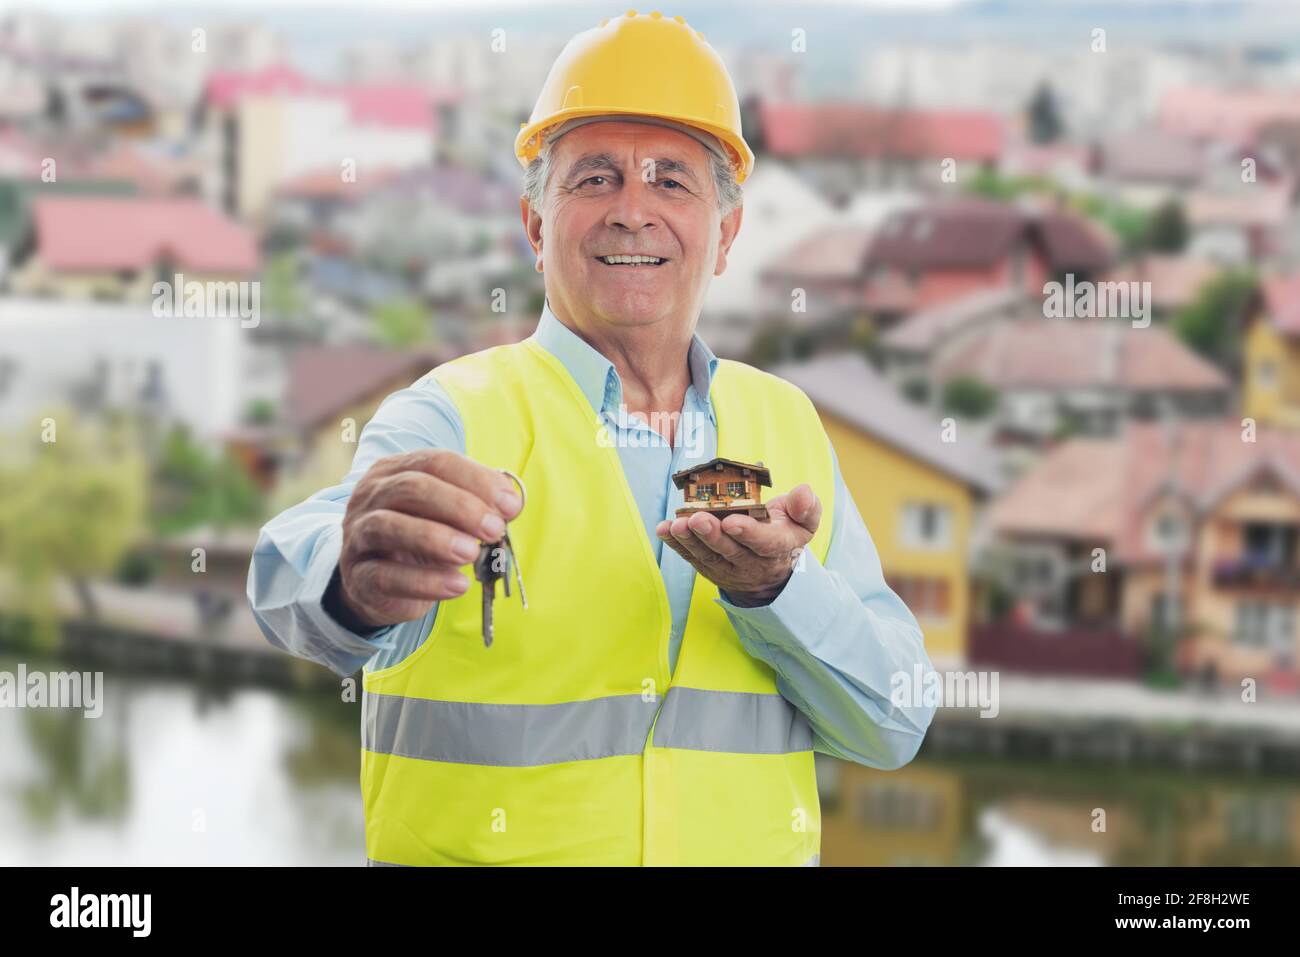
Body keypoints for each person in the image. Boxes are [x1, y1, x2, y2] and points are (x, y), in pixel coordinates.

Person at [247, 10, 937, 866]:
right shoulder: (453, 413)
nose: (632, 212)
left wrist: (780, 592)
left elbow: (895, 721)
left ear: (725, 234)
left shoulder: (788, 424)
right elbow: (290, 574)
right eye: (596, 178)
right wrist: (352, 581)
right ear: (537, 229)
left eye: (672, 181)